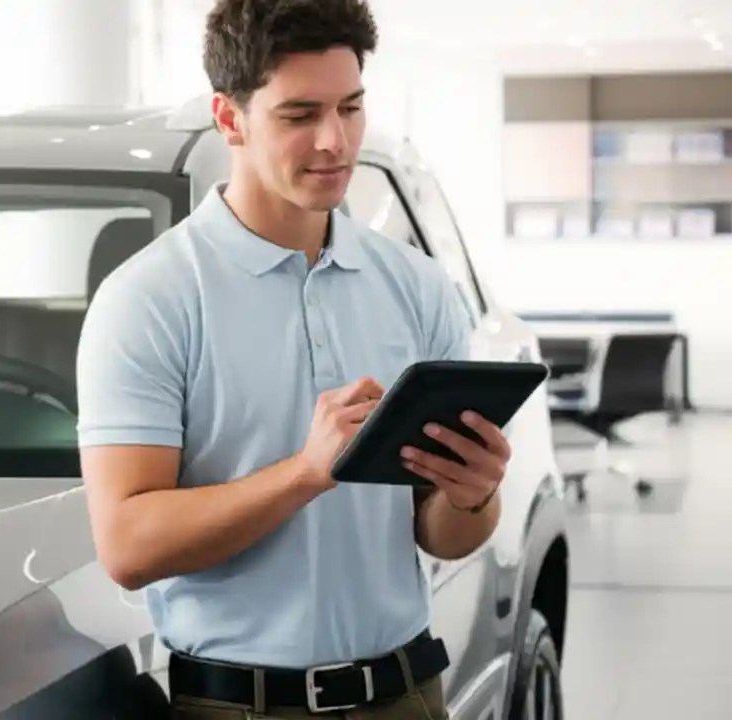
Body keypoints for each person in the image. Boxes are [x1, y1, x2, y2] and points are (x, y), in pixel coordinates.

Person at [75, 1, 513, 718]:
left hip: (407, 694)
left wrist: (474, 496)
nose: (335, 140)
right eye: (300, 115)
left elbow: (440, 533)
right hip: (240, 706)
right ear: (230, 119)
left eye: (351, 107)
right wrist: (305, 475)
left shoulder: (416, 287)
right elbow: (127, 545)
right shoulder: (150, 300)